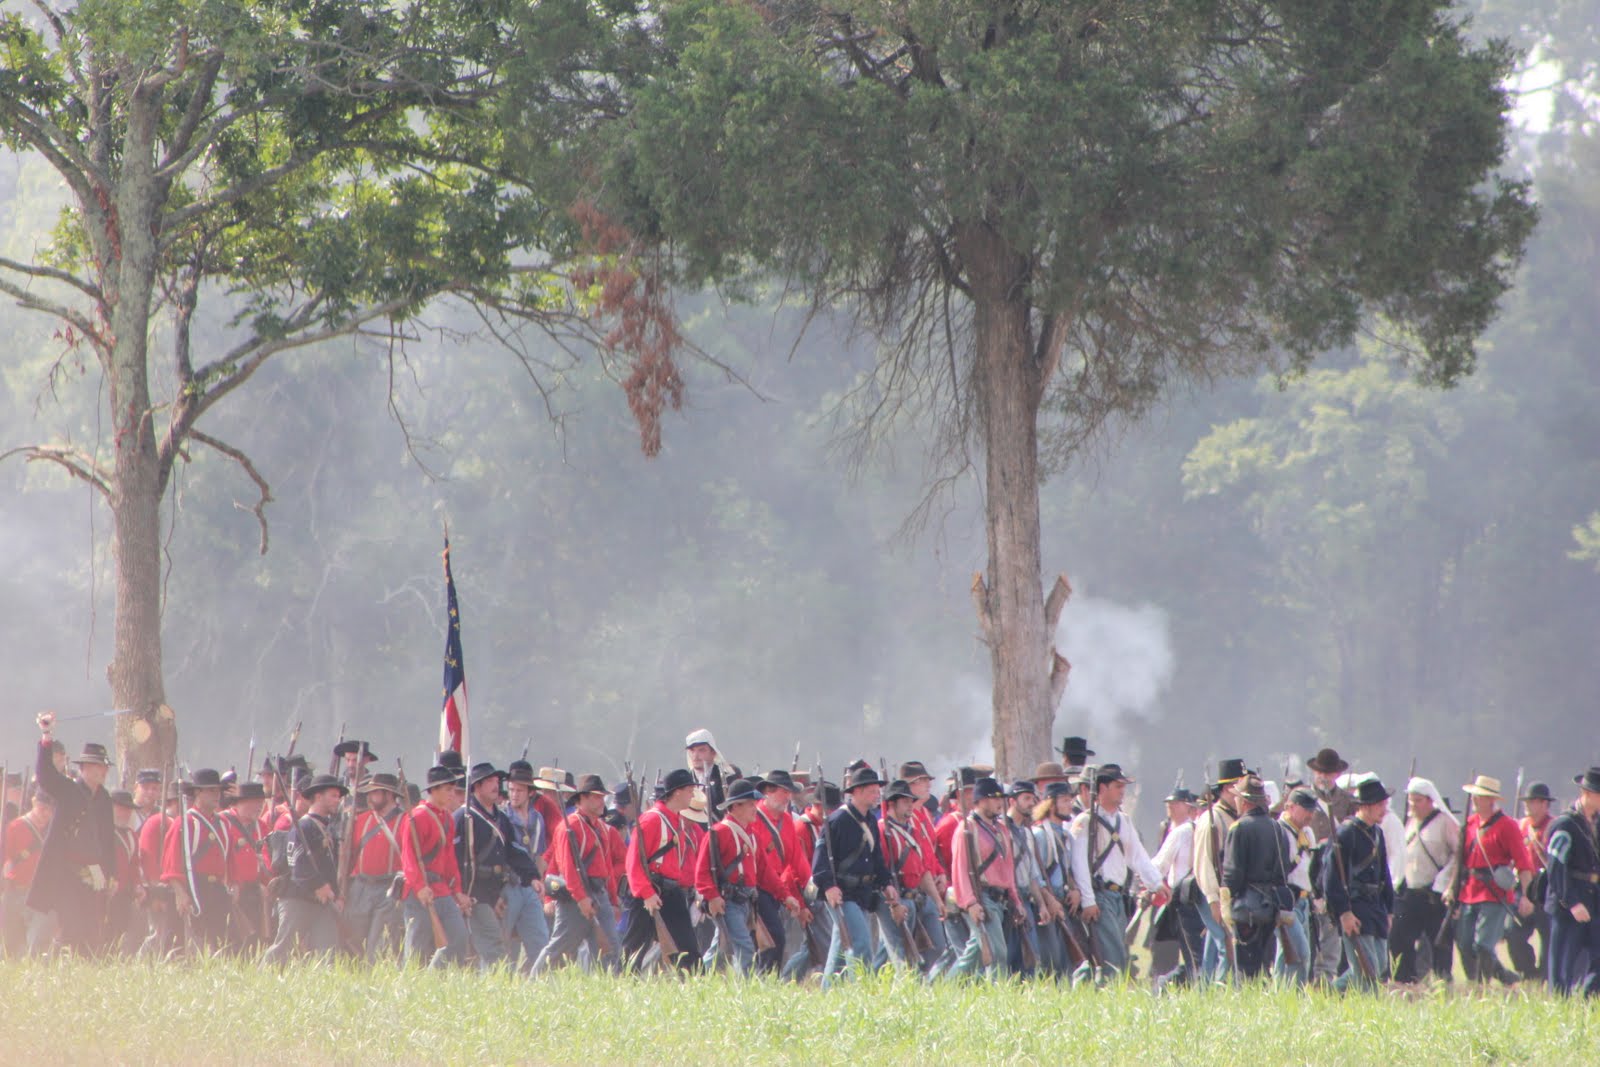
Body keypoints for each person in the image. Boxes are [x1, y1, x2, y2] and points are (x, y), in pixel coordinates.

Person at [29, 713, 117, 956]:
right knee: (72, 925)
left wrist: (111, 875)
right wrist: (46, 736)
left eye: (104, 767)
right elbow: (46, 775)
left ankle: (83, 968)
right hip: (66, 872)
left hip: (94, 873)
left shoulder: (104, 799)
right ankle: (55, 962)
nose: (103, 771)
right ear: (85, 768)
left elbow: (107, 840)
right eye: (98, 766)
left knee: (91, 928)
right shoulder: (68, 789)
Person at [1072, 763, 1168, 982]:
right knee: (1112, 956)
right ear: (1102, 788)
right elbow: (1080, 865)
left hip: (1118, 896)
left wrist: (1156, 883)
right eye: (1117, 786)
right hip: (1099, 895)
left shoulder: (1123, 820)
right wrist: (1088, 900)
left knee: (1118, 953)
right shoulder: (1085, 821)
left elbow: (1138, 856)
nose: (1122, 791)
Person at [694, 776, 799, 974]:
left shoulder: (752, 836)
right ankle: (748, 988)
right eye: (750, 804)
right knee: (745, 948)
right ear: (735, 806)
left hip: (747, 901)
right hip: (728, 900)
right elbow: (702, 871)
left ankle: (698, 978)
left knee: (719, 949)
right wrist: (712, 896)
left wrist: (786, 896)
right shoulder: (718, 833)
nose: (755, 808)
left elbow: (766, 873)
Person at [812, 765, 897, 984]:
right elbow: (821, 860)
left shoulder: (870, 820)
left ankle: (827, 992)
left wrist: (886, 882)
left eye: (877, 790)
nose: (877, 794)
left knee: (841, 948)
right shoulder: (837, 821)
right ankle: (862, 988)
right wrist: (829, 886)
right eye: (872, 790)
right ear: (857, 791)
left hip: (863, 893)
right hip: (842, 893)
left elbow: (876, 857)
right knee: (860, 943)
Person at [1449, 774, 1535, 985]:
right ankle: (1502, 977)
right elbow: (1460, 862)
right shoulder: (1470, 824)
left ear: (1491, 800)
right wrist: (1452, 888)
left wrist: (1527, 896)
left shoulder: (1507, 826)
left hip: (1494, 892)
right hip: (1470, 891)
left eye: (1479, 796)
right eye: (1474, 796)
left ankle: (1482, 986)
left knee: (1484, 945)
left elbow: (1524, 864)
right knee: (1464, 941)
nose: (1474, 800)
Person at [533, 773, 623, 973]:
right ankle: (535, 981)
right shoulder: (569, 827)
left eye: (602, 797)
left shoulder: (601, 828)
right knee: (560, 948)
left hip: (599, 894)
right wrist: (582, 899)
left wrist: (613, 899)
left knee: (611, 947)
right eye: (597, 797)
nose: (602, 801)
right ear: (582, 798)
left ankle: (607, 987)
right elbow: (567, 868)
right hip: (574, 898)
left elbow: (607, 867)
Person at [1322, 777, 1396, 992]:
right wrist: (1344, 912)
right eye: (1379, 805)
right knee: (1367, 970)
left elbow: (1384, 874)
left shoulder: (1377, 833)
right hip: (1355, 906)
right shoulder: (1346, 833)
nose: (1383, 809)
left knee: (1379, 966)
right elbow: (1332, 877)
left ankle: (1331, 993)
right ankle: (1369, 1007)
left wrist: (1389, 910)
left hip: (1375, 907)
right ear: (1365, 806)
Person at [262, 773, 346, 963]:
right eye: (333, 795)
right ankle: (262, 976)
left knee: (327, 952)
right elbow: (297, 863)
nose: (338, 800)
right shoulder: (304, 826)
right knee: (283, 948)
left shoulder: (328, 828)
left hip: (323, 900)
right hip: (297, 898)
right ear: (318, 796)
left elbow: (330, 867)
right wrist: (318, 886)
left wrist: (336, 892)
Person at [622, 768, 700, 972]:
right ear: (677, 792)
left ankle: (694, 984)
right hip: (650, 892)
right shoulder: (652, 820)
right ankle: (621, 984)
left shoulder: (675, 819)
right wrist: (646, 893)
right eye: (690, 790)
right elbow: (634, 862)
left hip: (671, 891)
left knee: (687, 946)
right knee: (634, 948)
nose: (692, 794)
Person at [398, 764, 472, 968]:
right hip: (418, 891)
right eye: (448, 789)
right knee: (417, 947)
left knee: (458, 938)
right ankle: (412, 983)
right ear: (434, 790)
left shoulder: (447, 818)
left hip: (442, 889)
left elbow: (449, 859)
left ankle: (434, 978)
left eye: (453, 789)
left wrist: (457, 890)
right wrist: (419, 886)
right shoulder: (416, 817)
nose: (452, 794)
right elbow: (408, 858)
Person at [1220, 776, 1294, 980]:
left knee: (1245, 968)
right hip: (1270, 907)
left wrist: (1225, 902)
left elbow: (1232, 873)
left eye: (1237, 797)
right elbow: (1283, 871)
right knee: (1263, 963)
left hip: (1246, 908)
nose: (1235, 801)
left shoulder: (1239, 828)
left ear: (1244, 802)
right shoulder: (1277, 828)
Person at [1389, 777, 1459, 984]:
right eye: (1411, 800)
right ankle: (1406, 982)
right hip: (1410, 892)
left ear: (1430, 800)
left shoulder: (1445, 822)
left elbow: (1457, 855)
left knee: (1440, 943)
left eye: (1418, 801)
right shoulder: (1409, 822)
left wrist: (1446, 883)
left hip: (1434, 894)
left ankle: (1442, 982)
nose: (1413, 805)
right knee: (1399, 939)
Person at [949, 777, 1019, 979]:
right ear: (980, 800)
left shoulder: (1002, 829)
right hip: (982, 896)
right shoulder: (967, 829)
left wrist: (1015, 899)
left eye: (1000, 798)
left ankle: (945, 985)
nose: (999, 802)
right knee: (997, 953)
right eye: (994, 798)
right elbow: (960, 870)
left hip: (1000, 898)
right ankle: (998, 993)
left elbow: (1008, 869)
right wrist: (970, 902)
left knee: (976, 952)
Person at [162, 768, 233, 953]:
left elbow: (227, 859)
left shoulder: (223, 824)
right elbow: (171, 862)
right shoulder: (184, 823)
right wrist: (180, 893)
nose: (216, 795)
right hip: (193, 887)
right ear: (197, 793)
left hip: (216, 890)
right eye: (211, 790)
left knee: (217, 941)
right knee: (186, 943)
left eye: (218, 790)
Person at [1544, 768, 1600, 995]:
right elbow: (1557, 868)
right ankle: (1560, 1006)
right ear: (1587, 793)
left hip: (1593, 899)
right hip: (1569, 902)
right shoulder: (1565, 825)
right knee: (1563, 966)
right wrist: (1572, 902)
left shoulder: (1596, 823)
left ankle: (1590, 1001)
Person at [1192, 758, 1247, 983]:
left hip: (1229, 894)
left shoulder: (1234, 817)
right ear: (1228, 788)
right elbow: (1205, 863)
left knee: (1216, 948)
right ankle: (1223, 990)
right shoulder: (1212, 820)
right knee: (1226, 946)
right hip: (1214, 894)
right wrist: (1214, 899)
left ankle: (1207, 989)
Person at [1305, 746, 1357, 983]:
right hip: (1305, 866)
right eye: (1320, 772)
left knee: (1330, 931)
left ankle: (1325, 980)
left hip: (1334, 869)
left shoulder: (1347, 802)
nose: (1323, 777)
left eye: (1328, 773)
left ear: (1337, 774)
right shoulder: (1302, 798)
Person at [880, 778, 940, 974]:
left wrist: (938, 901)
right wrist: (894, 902)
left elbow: (923, 871)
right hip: (897, 898)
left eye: (911, 801)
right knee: (902, 957)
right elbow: (881, 871)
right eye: (905, 801)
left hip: (917, 898)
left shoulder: (913, 831)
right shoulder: (882, 830)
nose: (910, 805)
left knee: (934, 950)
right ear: (892, 803)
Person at [753, 771, 812, 974]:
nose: (788, 797)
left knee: (773, 939)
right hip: (757, 887)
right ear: (768, 792)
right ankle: (763, 981)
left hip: (776, 889)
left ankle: (767, 982)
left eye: (789, 792)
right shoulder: (753, 818)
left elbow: (797, 861)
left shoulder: (786, 820)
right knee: (772, 938)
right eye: (783, 792)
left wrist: (809, 892)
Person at [343, 772, 403, 961]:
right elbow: (348, 855)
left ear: (389, 794)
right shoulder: (360, 820)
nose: (370, 796)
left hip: (390, 887)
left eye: (375, 792)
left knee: (380, 945)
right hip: (360, 886)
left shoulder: (405, 821)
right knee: (353, 938)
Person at [500, 761, 552, 971]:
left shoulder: (537, 819)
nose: (514, 795)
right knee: (504, 943)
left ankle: (539, 981)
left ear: (530, 792)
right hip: (508, 884)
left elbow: (538, 855)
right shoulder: (502, 816)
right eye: (511, 789)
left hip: (529, 886)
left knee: (540, 941)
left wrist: (537, 881)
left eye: (519, 790)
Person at [1151, 785, 1203, 987]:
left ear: (1190, 808)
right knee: (1195, 953)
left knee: (1190, 954)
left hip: (1183, 899)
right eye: (1170, 803)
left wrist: (1146, 875)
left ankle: (1164, 985)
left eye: (1176, 803)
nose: (1171, 807)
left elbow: (1159, 865)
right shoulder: (1201, 830)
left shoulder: (1180, 832)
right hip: (1199, 898)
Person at [1505, 781, 1555, 983]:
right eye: (1527, 801)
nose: (1527, 805)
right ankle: (1528, 973)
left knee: (1548, 937)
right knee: (1512, 932)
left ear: (1544, 804)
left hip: (1546, 888)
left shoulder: (1553, 827)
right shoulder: (1521, 825)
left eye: (1532, 801)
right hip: (1524, 887)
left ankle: (1545, 977)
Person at [1273, 788, 1319, 985]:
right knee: (1300, 953)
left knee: (1286, 955)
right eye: (1306, 809)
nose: (1310, 815)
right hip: (1287, 900)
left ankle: (1280, 995)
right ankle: (1295, 994)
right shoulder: (1278, 831)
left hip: (1304, 900)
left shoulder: (1307, 832)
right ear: (1290, 807)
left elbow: (1311, 867)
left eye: (1312, 810)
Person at [2, 788, 55, 956]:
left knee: (36, 945)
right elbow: (6, 859)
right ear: (33, 803)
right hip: (17, 890)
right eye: (42, 808)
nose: (45, 813)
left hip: (41, 893)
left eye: (50, 810)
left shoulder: (53, 831)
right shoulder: (15, 827)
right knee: (12, 943)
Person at [221, 782, 270, 953]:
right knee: (230, 939)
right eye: (255, 801)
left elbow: (266, 857)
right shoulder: (223, 822)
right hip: (230, 890)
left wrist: (266, 883)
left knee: (253, 940)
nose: (260, 806)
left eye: (261, 802)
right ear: (240, 802)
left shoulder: (261, 826)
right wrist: (230, 883)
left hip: (253, 890)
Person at [105, 790, 141, 955]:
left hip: (124, 895)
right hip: (105, 893)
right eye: (121, 808)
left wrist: (137, 886)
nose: (125, 813)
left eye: (128, 810)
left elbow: (134, 865)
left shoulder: (131, 836)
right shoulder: (103, 832)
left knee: (120, 934)